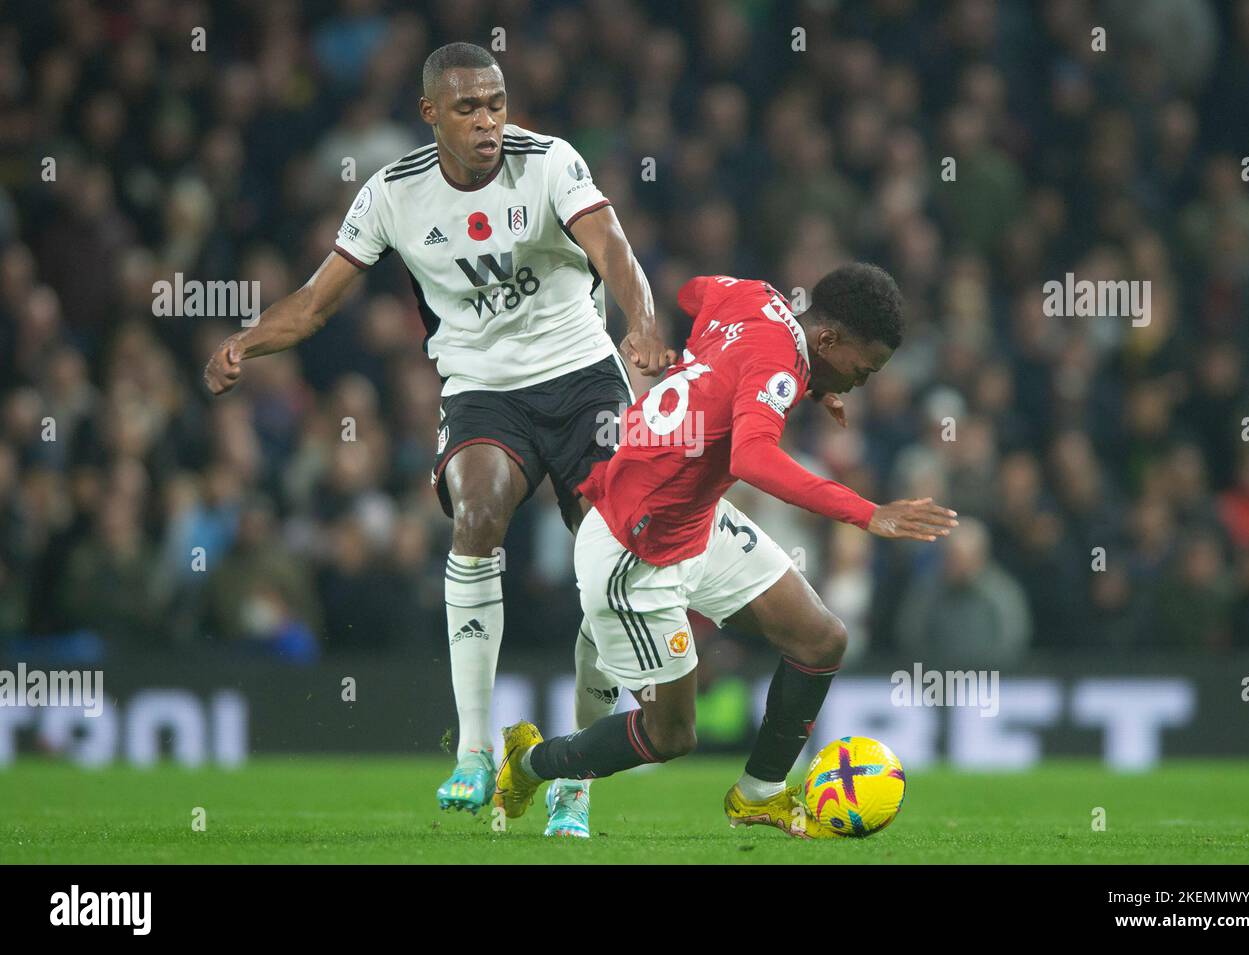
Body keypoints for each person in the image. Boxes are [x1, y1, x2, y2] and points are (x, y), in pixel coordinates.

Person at [202, 43, 677, 833]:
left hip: (584, 378)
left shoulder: (550, 161)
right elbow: (316, 303)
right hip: (482, 390)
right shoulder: (393, 193)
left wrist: (645, 324)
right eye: (468, 108)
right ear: (430, 115)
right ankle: (475, 749)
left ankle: (575, 779)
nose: (489, 120)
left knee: (605, 573)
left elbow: (614, 251)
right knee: (476, 513)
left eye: (495, 102)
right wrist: (244, 343)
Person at [493, 265, 959, 838]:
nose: (860, 382)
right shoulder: (777, 363)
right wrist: (869, 512)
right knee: (672, 736)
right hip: (634, 547)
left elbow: (694, 290)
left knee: (821, 639)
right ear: (829, 341)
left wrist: (723, 362)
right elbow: (752, 460)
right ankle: (529, 764)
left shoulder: (753, 297)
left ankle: (758, 794)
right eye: (863, 370)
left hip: (696, 517)